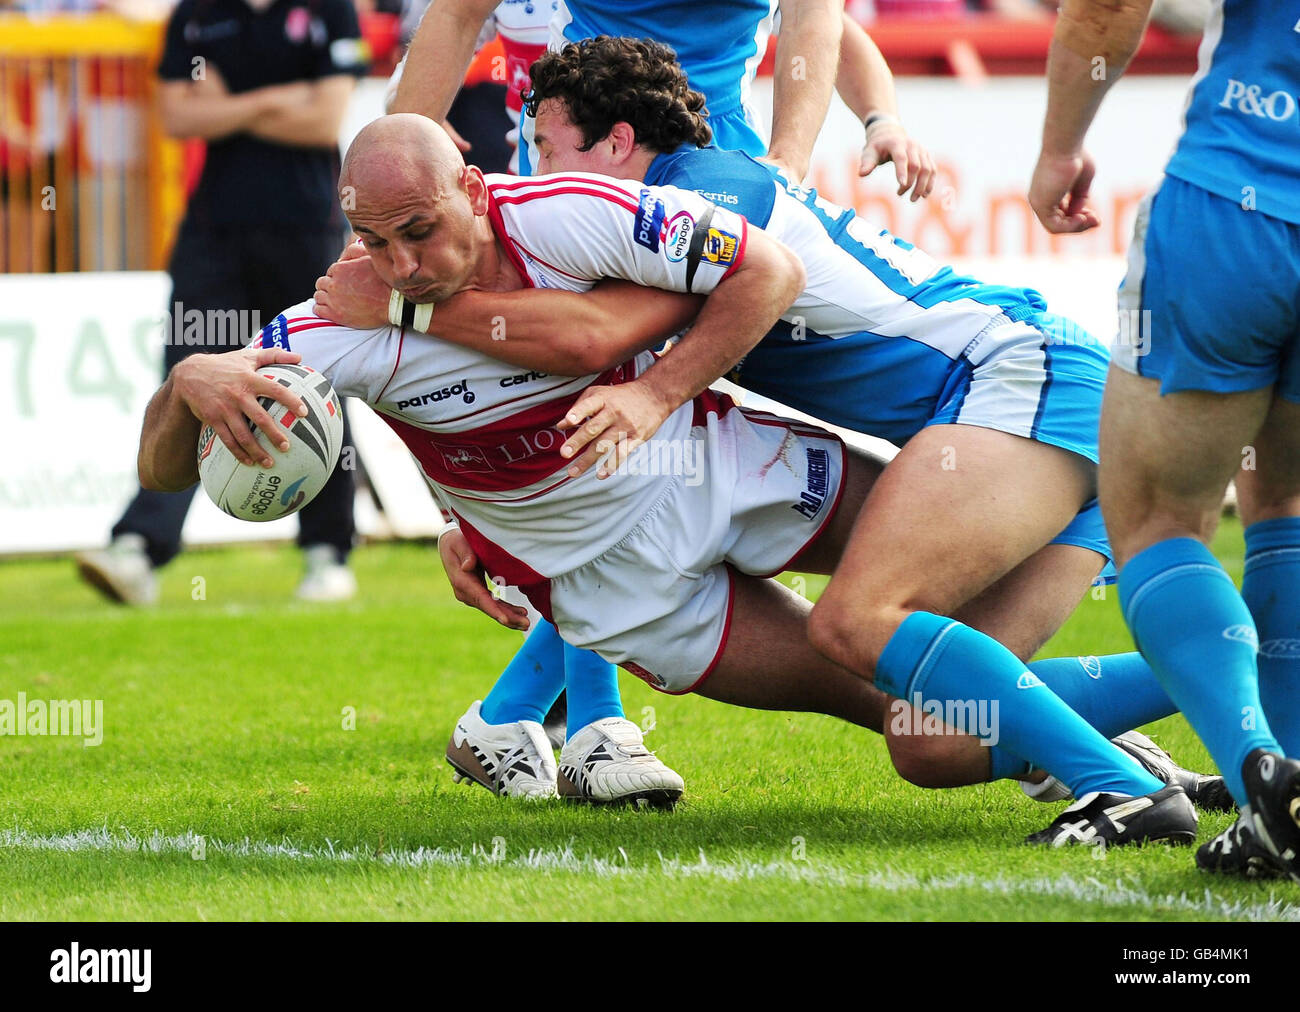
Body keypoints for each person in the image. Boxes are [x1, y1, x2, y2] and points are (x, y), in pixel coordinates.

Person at [300, 114, 1229, 846]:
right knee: (938, 728)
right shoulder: (638, 225)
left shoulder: (697, 197)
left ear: (616, 142)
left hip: (1021, 379)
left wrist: (401, 308)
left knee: (859, 623)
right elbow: (541, 383)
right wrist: (474, 517)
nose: (533, 170)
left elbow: (583, 343)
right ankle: (1238, 709)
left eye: (544, 143)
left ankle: (1127, 788)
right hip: (1014, 421)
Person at [385, 0, 935, 804]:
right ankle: (591, 725)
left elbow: (821, 18)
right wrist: (400, 159)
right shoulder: (565, 130)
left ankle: (515, 714)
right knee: (610, 430)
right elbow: (461, 10)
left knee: (644, 438)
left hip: (716, 176)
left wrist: (838, 133)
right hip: (596, 178)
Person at [1028, 0, 1300, 879]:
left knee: (1155, 523)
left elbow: (1108, 5)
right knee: (1288, 508)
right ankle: (1285, 803)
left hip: (1241, 193)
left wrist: (1060, 145)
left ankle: (1262, 768)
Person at [75, 0, 368, 605]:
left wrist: (229, 108)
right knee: (185, 379)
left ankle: (327, 553)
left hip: (305, 225)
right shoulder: (197, 14)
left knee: (317, 381)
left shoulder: (330, 8)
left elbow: (324, 120)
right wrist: (277, 100)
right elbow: (177, 116)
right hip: (214, 229)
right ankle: (139, 547)